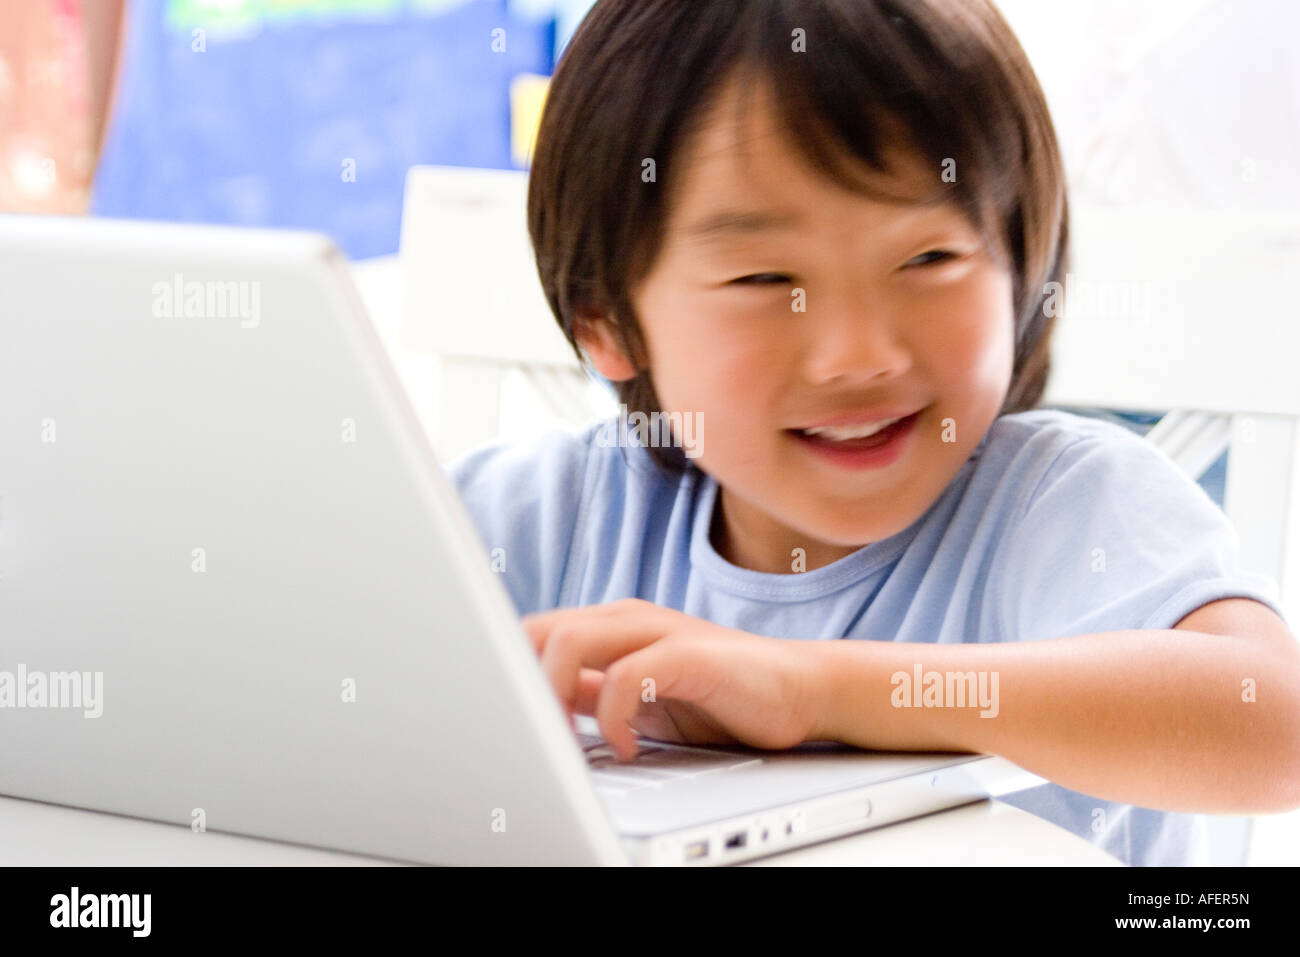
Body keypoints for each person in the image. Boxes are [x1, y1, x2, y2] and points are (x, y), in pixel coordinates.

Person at [447, 0, 1300, 867]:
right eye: (765, 278)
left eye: (929, 258)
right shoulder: (550, 516)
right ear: (605, 318)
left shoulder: (1063, 505)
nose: (860, 356)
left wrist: (812, 688)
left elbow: (1271, 721)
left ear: (1019, 266)